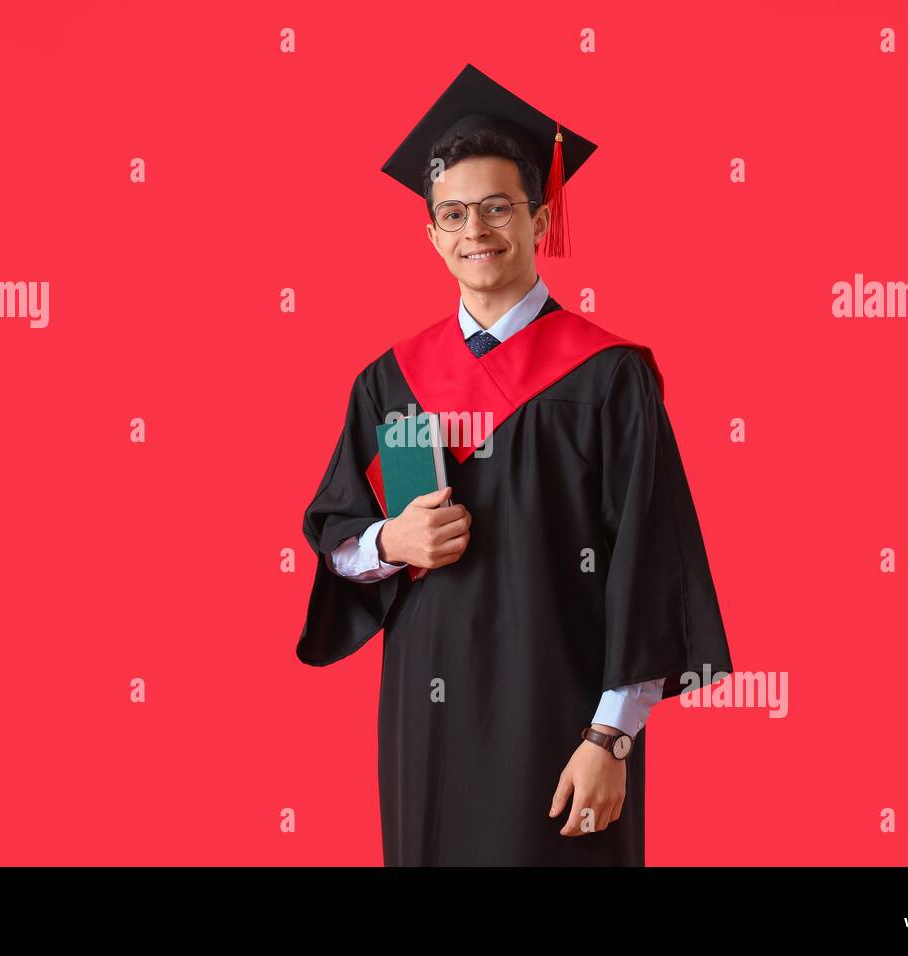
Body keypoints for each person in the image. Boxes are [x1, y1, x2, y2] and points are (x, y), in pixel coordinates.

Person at [296, 63, 732, 865]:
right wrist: (391, 543)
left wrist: (612, 738)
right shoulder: (390, 378)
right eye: (453, 213)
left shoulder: (608, 375)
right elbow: (336, 534)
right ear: (431, 233)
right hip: (425, 714)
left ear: (540, 218)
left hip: (559, 710)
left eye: (498, 208)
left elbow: (649, 563)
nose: (476, 231)